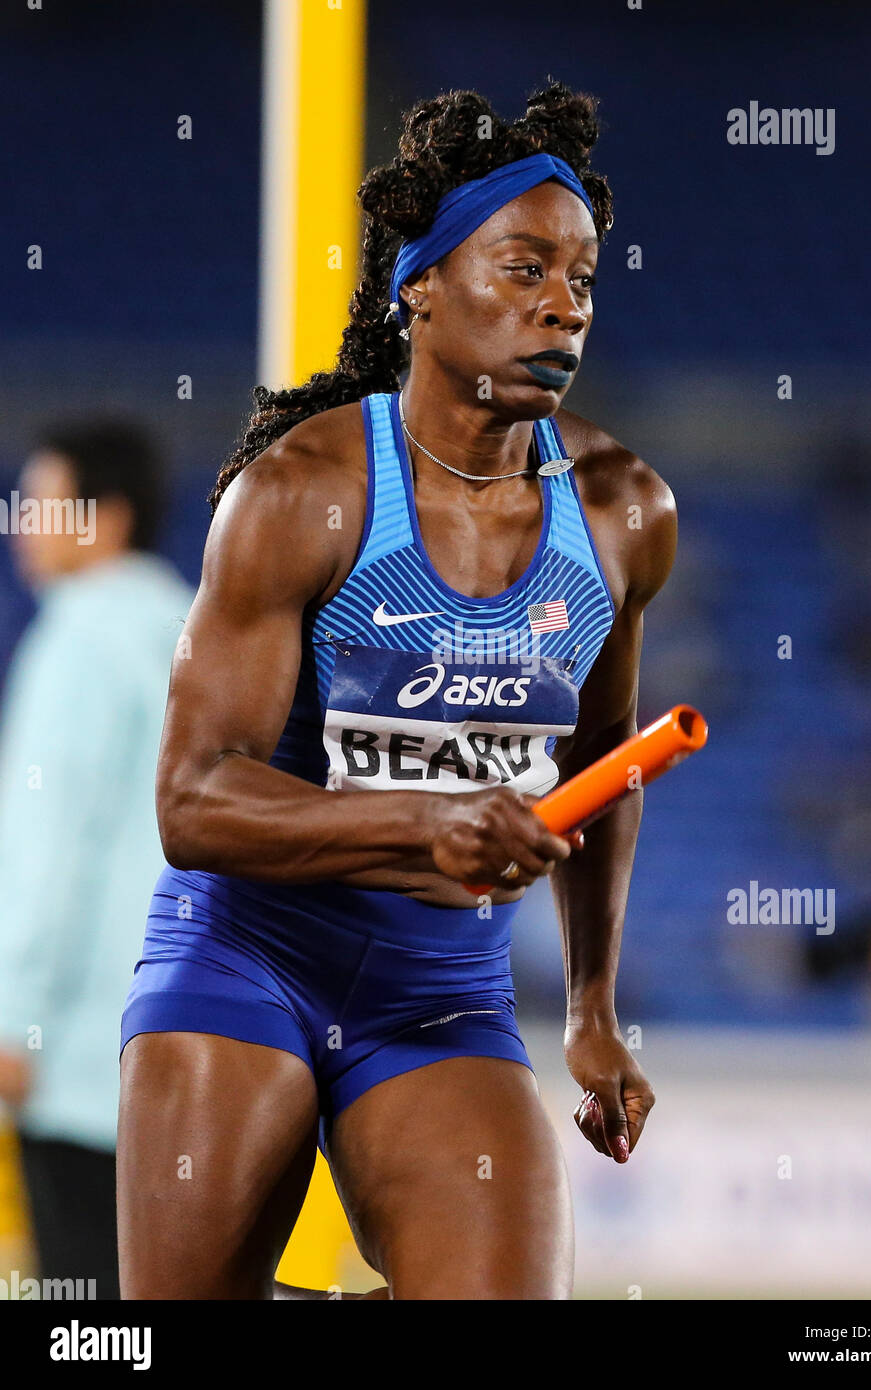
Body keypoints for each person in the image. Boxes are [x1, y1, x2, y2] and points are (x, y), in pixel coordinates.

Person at [117, 82, 677, 1300]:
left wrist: (590, 1004)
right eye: (522, 268)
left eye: (581, 278)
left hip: (441, 992)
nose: (560, 306)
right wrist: (429, 824)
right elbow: (192, 803)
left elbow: (607, 765)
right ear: (419, 283)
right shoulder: (301, 492)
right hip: (246, 959)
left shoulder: (625, 513)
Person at [0, 418, 194, 1299]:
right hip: (196, 1043)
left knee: (82, 1314)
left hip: (81, 1053)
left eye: (43, 503)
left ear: (105, 518)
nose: (24, 525)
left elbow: (46, 846)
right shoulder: (195, 630)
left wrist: (14, 1016)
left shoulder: (78, 638)